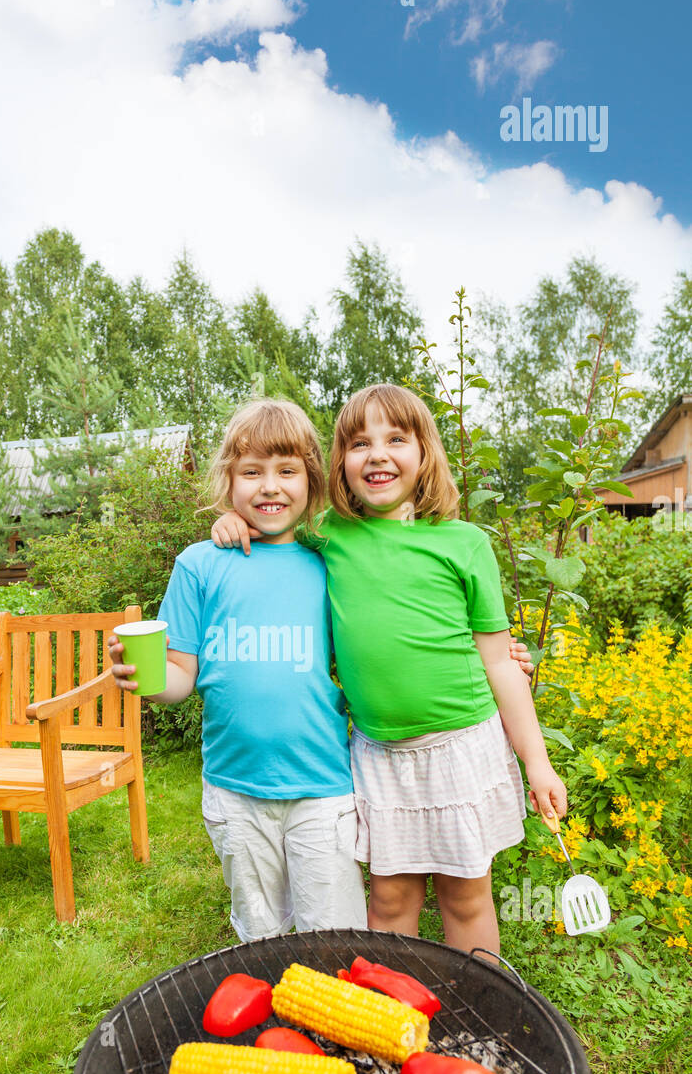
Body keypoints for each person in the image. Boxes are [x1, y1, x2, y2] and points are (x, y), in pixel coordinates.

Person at [211, 383, 565, 958]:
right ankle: (392, 1017)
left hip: (460, 748)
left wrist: (539, 764)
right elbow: (271, 514)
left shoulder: (464, 544)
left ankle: (478, 1009)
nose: (376, 454)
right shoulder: (328, 534)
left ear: (424, 452)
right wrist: (232, 520)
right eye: (358, 443)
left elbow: (500, 664)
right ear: (341, 465)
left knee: (466, 898)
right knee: (391, 901)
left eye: (395, 438)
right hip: (380, 756)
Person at [108, 397, 369, 943]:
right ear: (228, 482)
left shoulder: (331, 559)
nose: (269, 487)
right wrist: (147, 683)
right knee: (261, 934)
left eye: (286, 471)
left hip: (321, 785)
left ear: (313, 481)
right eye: (252, 472)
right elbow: (181, 674)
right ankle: (272, 1026)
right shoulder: (199, 565)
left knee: (335, 933)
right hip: (235, 789)